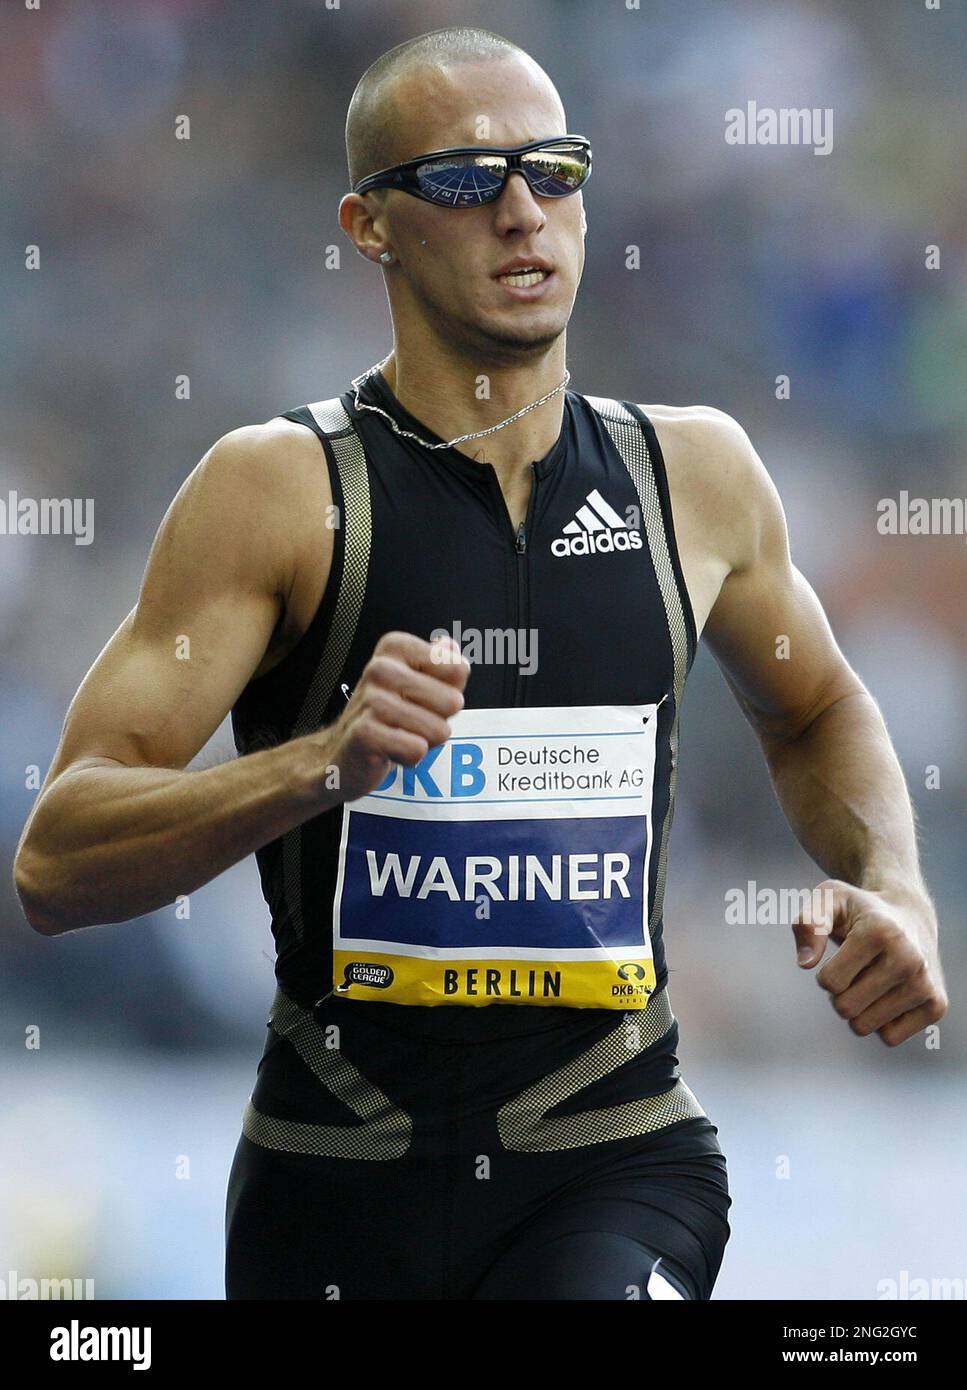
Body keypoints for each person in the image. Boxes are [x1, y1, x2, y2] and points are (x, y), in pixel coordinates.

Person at [13, 27, 947, 1301]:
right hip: (332, 1180)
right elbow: (57, 859)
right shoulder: (278, 495)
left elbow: (817, 703)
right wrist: (315, 766)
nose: (523, 213)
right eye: (465, 179)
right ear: (370, 222)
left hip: (611, 1159)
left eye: (554, 171)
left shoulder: (697, 479)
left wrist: (892, 882)